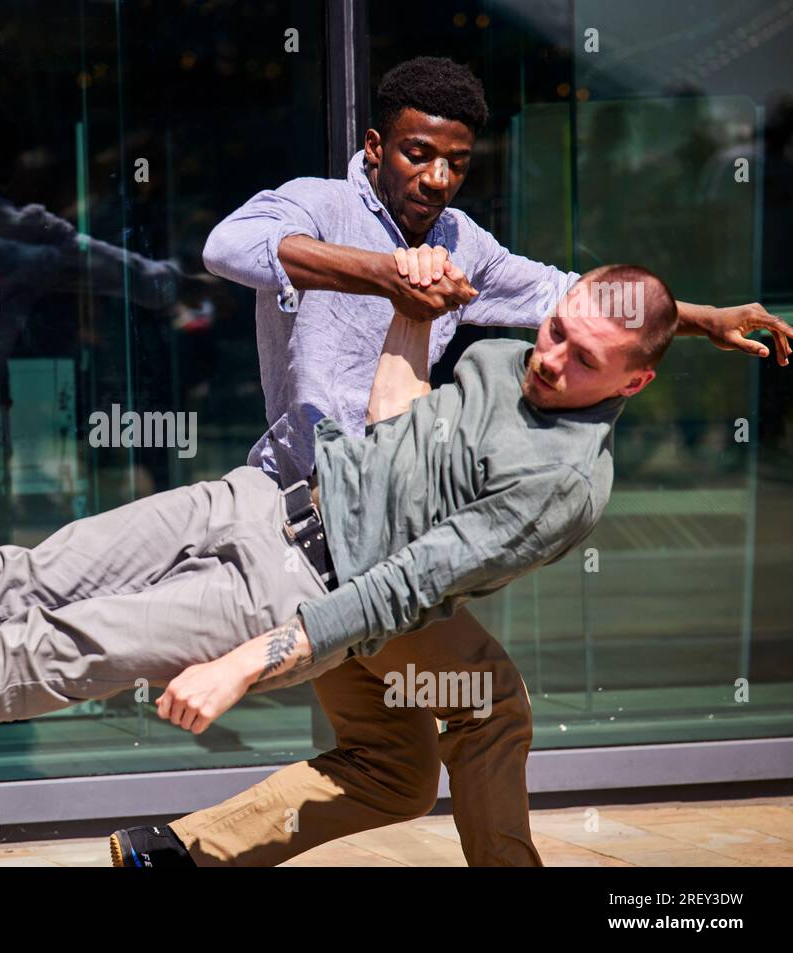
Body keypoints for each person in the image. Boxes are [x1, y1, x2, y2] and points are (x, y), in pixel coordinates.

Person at [0, 263, 671, 822]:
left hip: (292, 589)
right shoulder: (500, 355)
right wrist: (405, 317)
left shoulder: (563, 486)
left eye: (583, 358)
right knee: (4, 579)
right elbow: (398, 428)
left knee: (33, 658)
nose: (551, 355)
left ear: (632, 382)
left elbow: (402, 590)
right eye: (557, 326)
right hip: (257, 494)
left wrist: (250, 664)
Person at [114, 55, 791, 868]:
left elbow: (572, 299)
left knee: (393, 769)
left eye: (457, 163)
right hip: (324, 529)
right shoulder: (320, 205)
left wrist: (704, 316)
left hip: (385, 528)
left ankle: (172, 853)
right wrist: (384, 274)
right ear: (374, 146)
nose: (438, 178)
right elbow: (228, 247)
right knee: (492, 705)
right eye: (417, 154)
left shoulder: (460, 242)